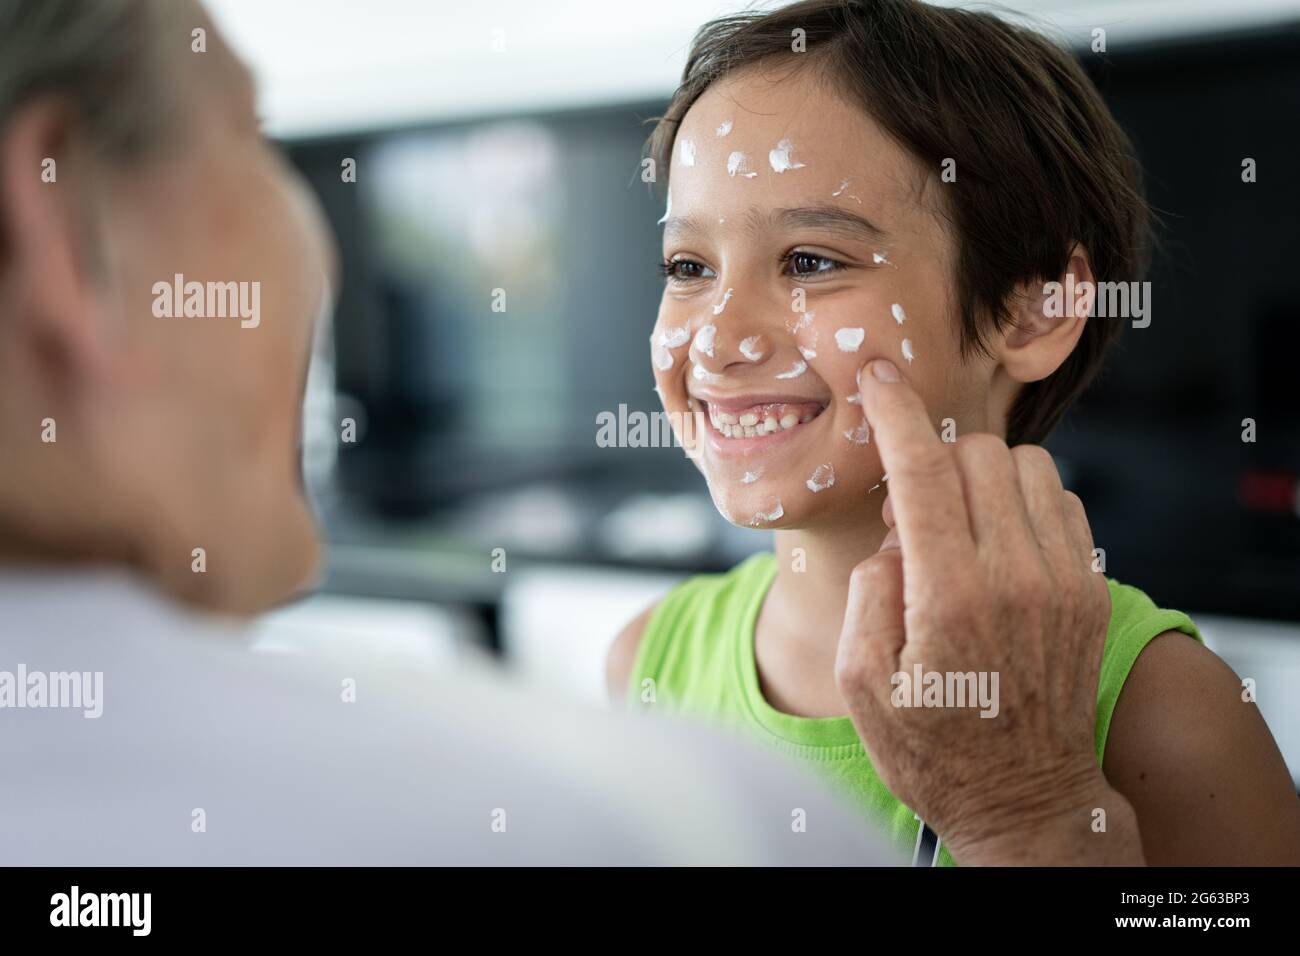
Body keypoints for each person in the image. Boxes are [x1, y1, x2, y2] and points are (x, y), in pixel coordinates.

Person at [0, 0, 898, 866]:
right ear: (64, 238)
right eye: (251, 143)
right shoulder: (646, 819)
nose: (721, 340)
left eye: (812, 262)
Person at [609, 0, 1300, 865]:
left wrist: (1029, 814)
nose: (718, 337)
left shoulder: (1165, 714)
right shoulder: (644, 662)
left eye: (811, 262)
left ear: (1032, 309)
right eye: (689, 268)